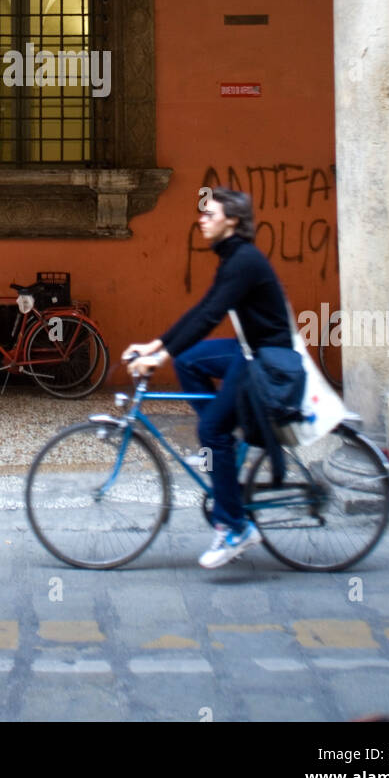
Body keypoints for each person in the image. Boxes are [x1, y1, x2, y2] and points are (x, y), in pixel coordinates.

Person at [121, 186, 296, 570]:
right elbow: (202, 309)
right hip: (248, 347)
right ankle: (224, 455)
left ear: (232, 220)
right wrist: (157, 346)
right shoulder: (232, 257)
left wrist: (158, 357)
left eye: (210, 213)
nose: (202, 218)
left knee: (212, 431)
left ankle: (236, 527)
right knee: (189, 361)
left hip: (263, 358)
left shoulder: (244, 261)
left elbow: (209, 316)